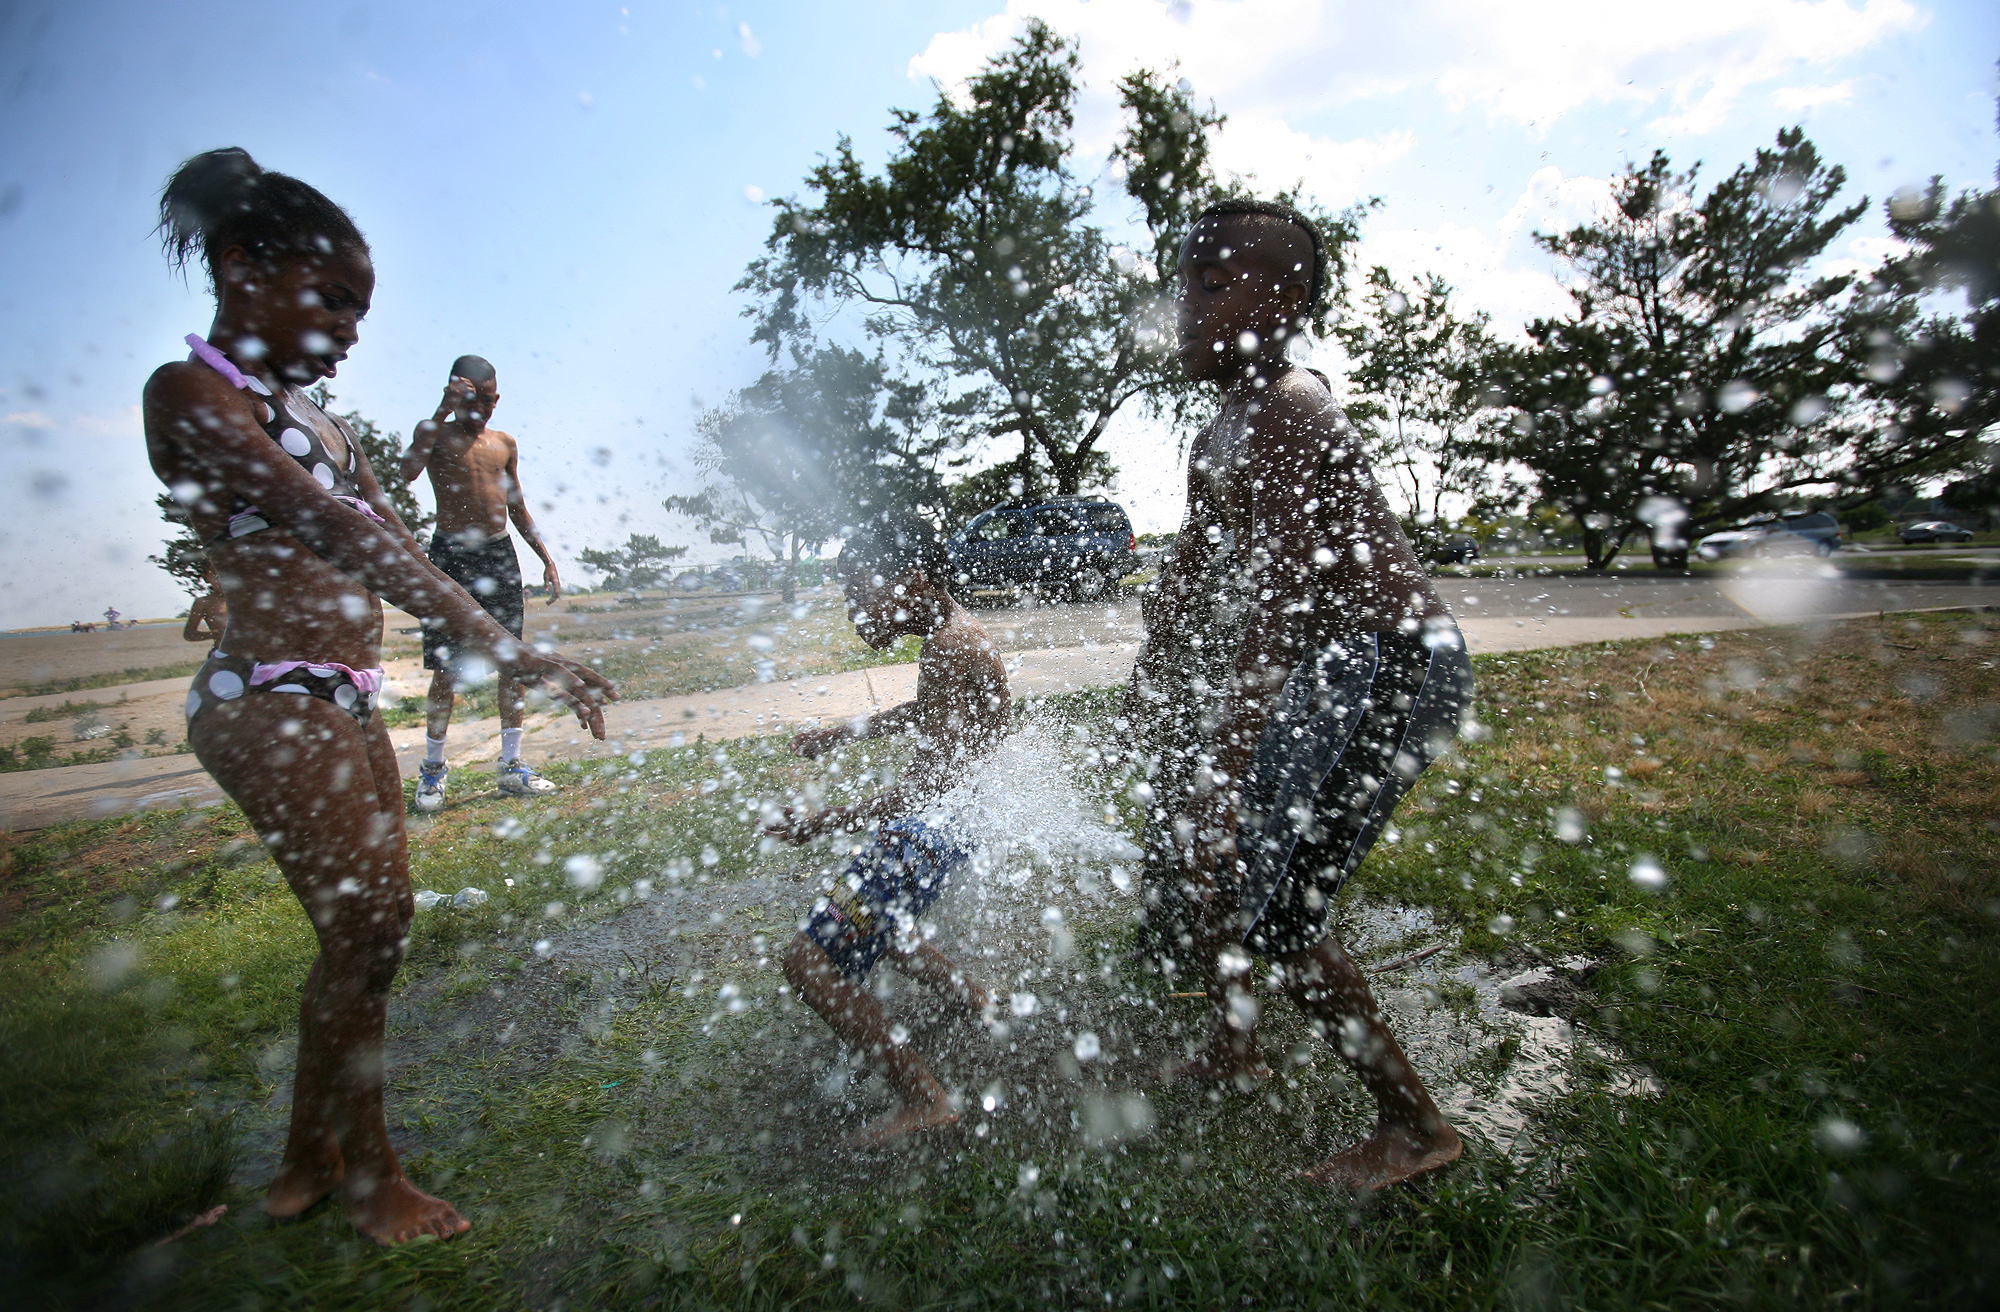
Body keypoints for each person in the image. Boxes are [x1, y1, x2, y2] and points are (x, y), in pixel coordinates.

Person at [143, 147, 616, 1245]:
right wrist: (507, 643)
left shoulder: (330, 422)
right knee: (364, 926)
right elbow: (328, 528)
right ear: (240, 264)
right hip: (261, 691)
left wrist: (516, 649)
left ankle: (305, 1160)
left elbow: (409, 551)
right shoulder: (193, 392)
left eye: (362, 307)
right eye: (332, 298)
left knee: (376, 927)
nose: (353, 326)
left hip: (346, 692)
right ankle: (371, 1177)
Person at [1121, 198, 1473, 1190]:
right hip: (1333, 668)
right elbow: (1191, 573)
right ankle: (1236, 1046)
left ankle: (1415, 1129)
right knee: (1219, 863)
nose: (1185, 309)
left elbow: (1279, 597)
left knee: (1277, 893)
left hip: (1389, 664)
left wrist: (1230, 757)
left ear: (1280, 302)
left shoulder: (1289, 405)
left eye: (1211, 286)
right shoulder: (1217, 434)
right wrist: (1150, 672)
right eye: (1182, 287)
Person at [767, 513, 1010, 1147]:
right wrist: (842, 731)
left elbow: (927, 791)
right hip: (956, 819)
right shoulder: (953, 636)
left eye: (858, 592)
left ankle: (927, 1098)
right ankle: (976, 997)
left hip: (935, 826)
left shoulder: (954, 644)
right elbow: (928, 713)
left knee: (807, 964)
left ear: (914, 580)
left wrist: (816, 824)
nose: (854, 612)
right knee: (890, 931)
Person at [399, 357, 564, 810]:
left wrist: (545, 560)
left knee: (511, 662)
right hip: (451, 555)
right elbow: (406, 471)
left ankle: (512, 766)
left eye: (490, 401)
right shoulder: (435, 433)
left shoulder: (504, 442)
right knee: (446, 670)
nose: (484, 410)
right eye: (474, 400)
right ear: (457, 394)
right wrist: (440, 410)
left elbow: (518, 508)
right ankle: (433, 772)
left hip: (499, 553)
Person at [182, 561, 227, 646]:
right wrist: (215, 634)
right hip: (222, 652)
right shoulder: (204, 603)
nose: (221, 578)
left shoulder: (245, 599)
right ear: (206, 578)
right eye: (215, 574)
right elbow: (189, 634)